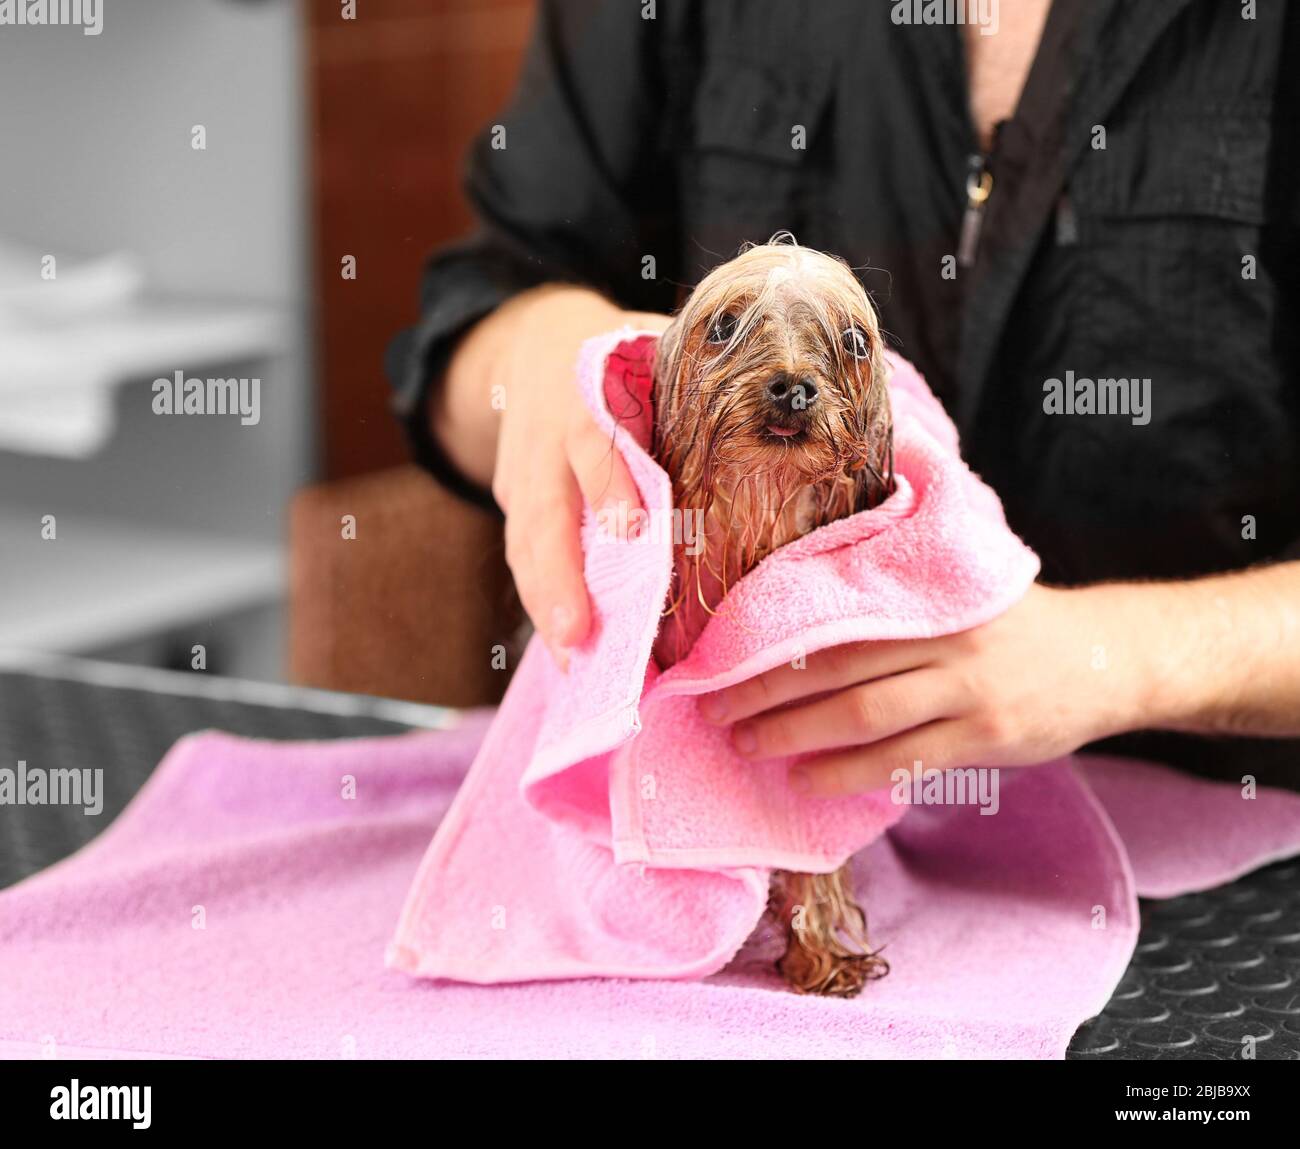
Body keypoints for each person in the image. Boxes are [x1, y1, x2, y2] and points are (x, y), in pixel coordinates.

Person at [386, 0, 1300, 793]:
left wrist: (1113, 660)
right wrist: (534, 347)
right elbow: (472, 321)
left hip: (1223, 846)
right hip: (723, 785)